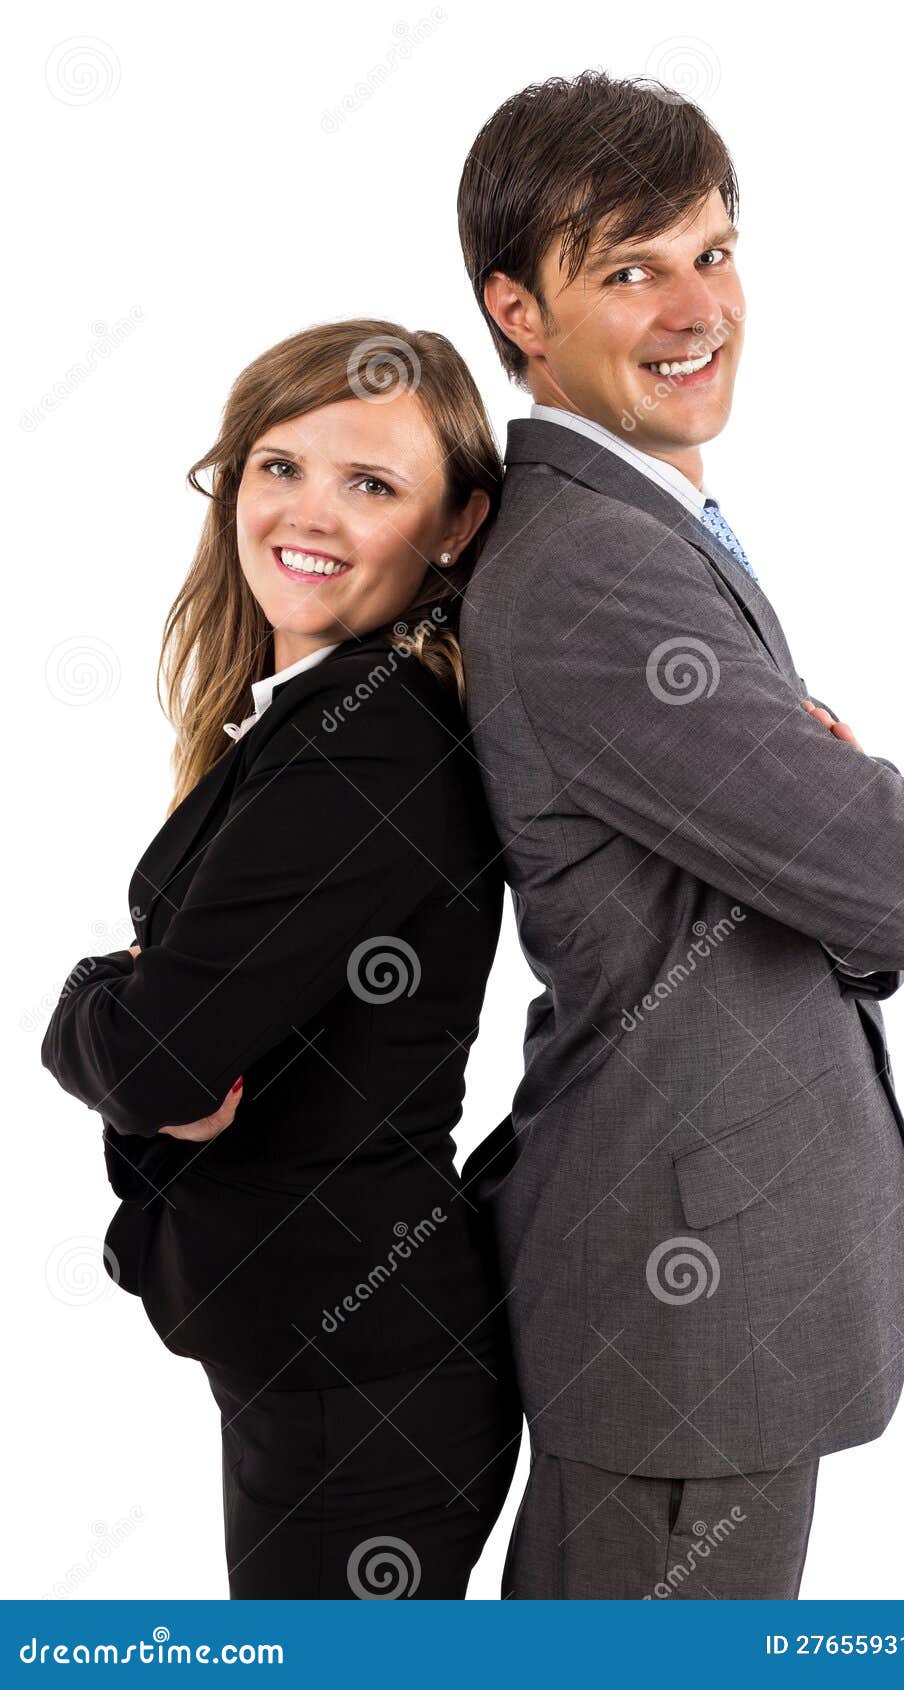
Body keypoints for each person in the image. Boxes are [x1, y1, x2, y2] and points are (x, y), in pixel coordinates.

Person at [455, 71, 904, 1599]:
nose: (696, 305)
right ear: (520, 311)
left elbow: (783, 874)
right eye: (626, 268)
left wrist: (833, 842)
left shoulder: (637, 529)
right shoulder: (591, 575)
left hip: (707, 1295)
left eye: (712, 247)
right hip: (676, 1318)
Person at [41, 319, 521, 1599]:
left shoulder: (365, 743)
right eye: (279, 464)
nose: (305, 514)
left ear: (457, 525)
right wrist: (136, 1005)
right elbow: (170, 1059)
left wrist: (89, 996)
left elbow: (154, 1060)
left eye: (370, 484)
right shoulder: (311, 718)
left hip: (360, 1389)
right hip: (319, 1367)